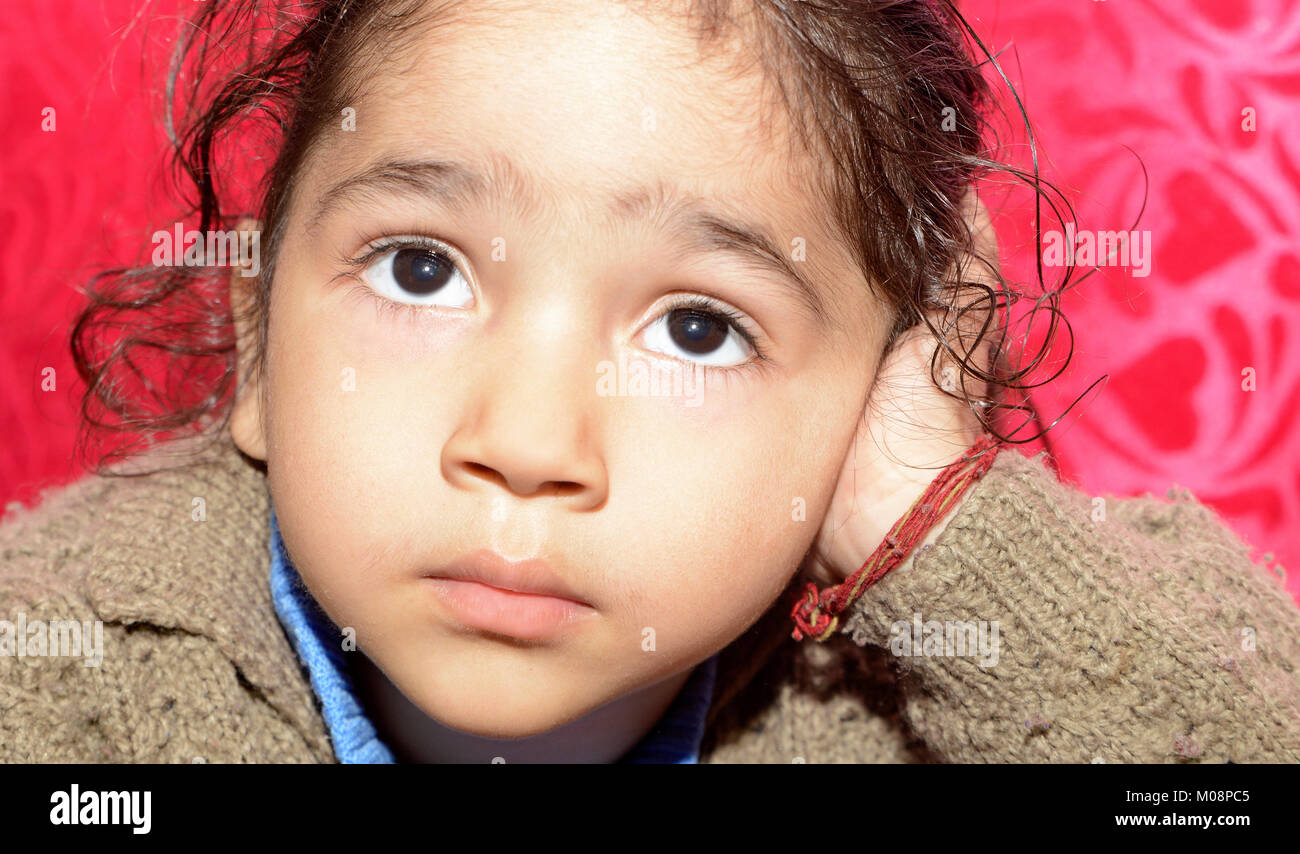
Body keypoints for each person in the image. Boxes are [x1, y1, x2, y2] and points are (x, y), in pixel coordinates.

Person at [2, 0, 1297, 763]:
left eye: (696, 329)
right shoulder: (68, 685)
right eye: (416, 269)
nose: (526, 440)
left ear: (874, 389)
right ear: (260, 347)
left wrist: (931, 513)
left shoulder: (900, 711)